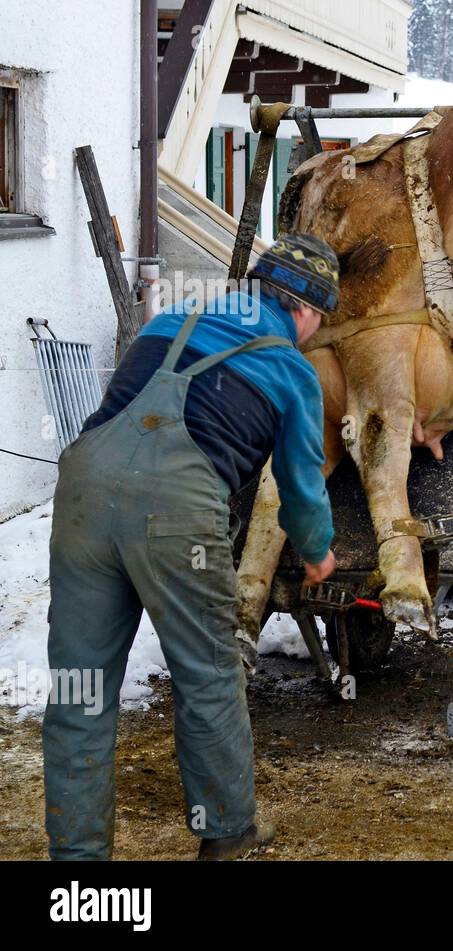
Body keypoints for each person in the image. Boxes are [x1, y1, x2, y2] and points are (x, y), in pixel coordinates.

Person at [43, 233, 340, 860]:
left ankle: (77, 867)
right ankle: (227, 834)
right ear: (306, 312)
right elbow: (300, 485)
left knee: (78, 689)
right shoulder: (292, 368)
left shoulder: (172, 319)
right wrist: (318, 553)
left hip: (82, 494)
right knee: (206, 677)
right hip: (176, 512)